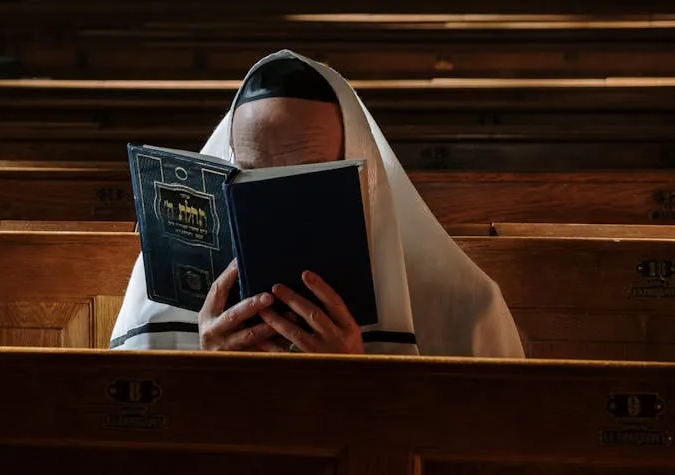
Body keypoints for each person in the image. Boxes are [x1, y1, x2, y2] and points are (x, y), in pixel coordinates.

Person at [109, 50, 525, 358]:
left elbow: (479, 460)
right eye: (250, 174)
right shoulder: (158, 293)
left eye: (306, 175)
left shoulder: (466, 307)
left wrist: (351, 380)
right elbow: (132, 439)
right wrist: (211, 372)